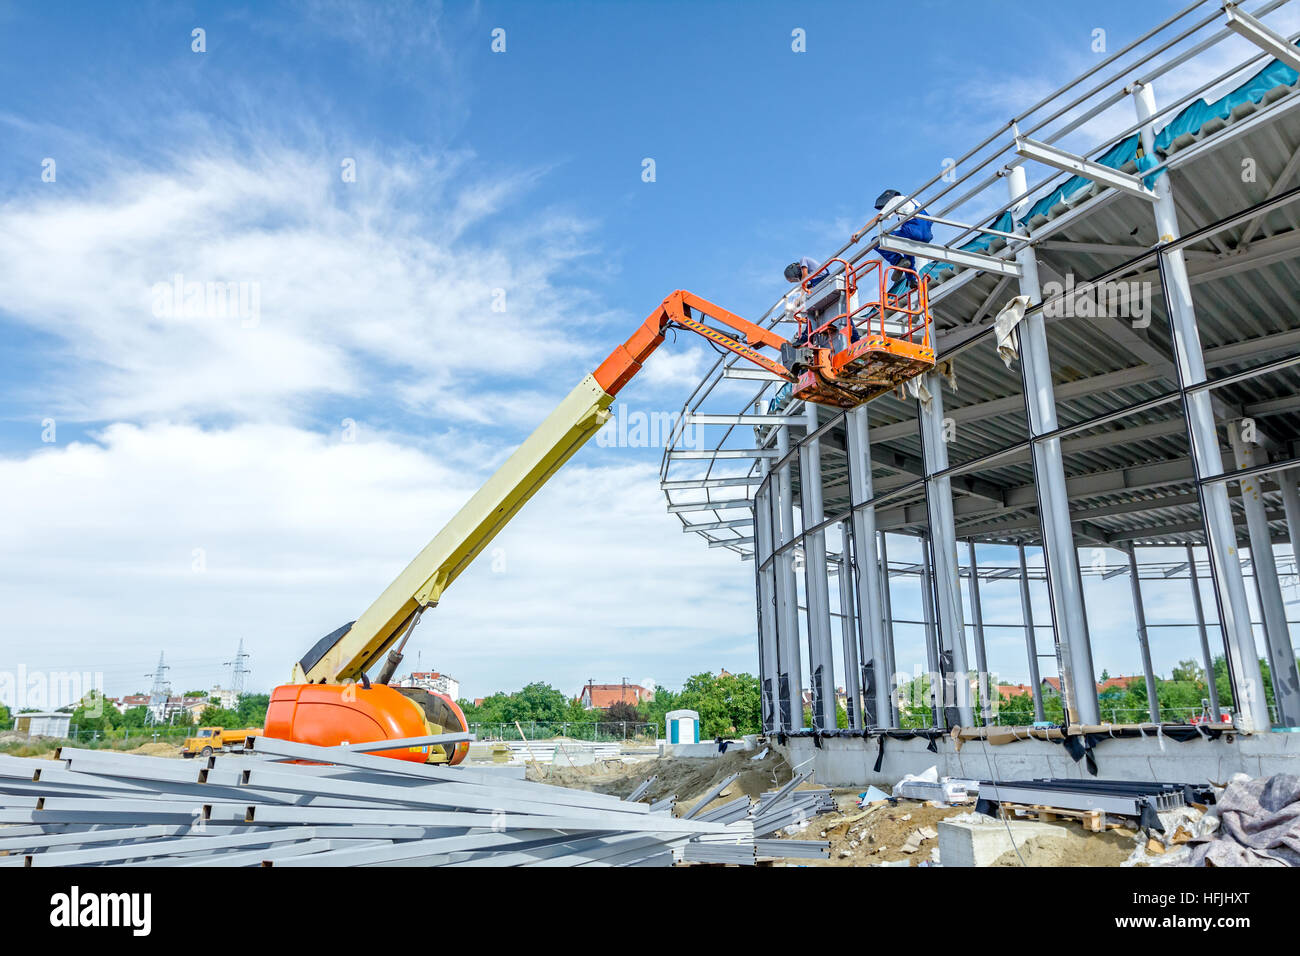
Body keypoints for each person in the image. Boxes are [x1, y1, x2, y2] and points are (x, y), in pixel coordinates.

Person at [851, 188, 933, 279]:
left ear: (888, 199)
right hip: (927, 236)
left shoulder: (896, 199)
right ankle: (912, 279)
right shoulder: (915, 202)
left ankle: (897, 261)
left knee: (877, 241)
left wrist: (860, 232)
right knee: (907, 249)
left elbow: (879, 217)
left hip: (912, 230)